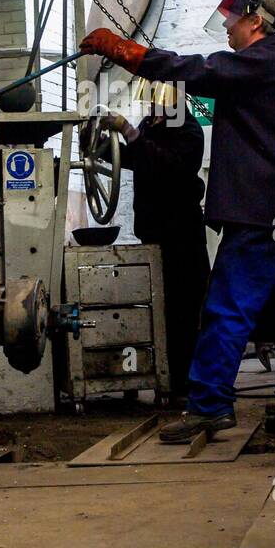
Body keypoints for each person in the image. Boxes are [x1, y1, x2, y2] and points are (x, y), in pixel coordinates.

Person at [81, 0, 275, 443]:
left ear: (256, 21)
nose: (227, 28)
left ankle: (209, 405)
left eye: (233, 20)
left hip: (257, 216)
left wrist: (127, 51)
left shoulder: (260, 63)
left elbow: (194, 70)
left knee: (227, 308)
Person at [104, 82, 208, 402]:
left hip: (181, 235)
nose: (152, 106)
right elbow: (137, 159)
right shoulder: (154, 125)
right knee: (159, 310)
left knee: (182, 312)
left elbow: (165, 163)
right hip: (154, 231)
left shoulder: (188, 132)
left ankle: (183, 385)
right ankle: (163, 376)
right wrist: (101, 146)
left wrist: (127, 131)